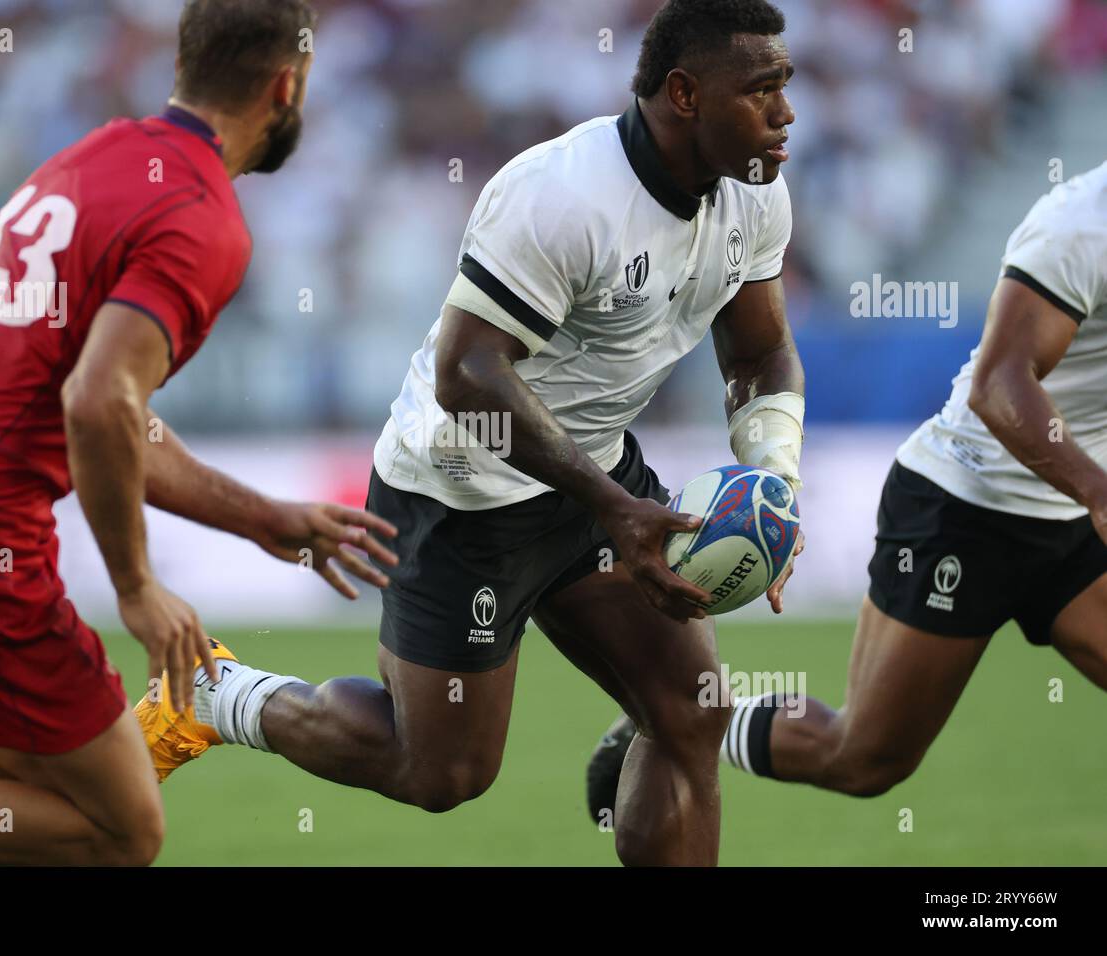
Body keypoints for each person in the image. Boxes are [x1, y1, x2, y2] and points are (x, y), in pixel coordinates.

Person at [139, 0, 804, 866]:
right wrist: (610, 505)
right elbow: (467, 377)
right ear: (684, 94)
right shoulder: (561, 195)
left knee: (691, 710)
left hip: (594, 479)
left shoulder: (755, 196)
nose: (786, 114)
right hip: (463, 489)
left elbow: (760, 351)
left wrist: (775, 477)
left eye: (784, 86)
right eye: (763, 91)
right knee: (440, 773)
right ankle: (214, 695)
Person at [0, 0, 395, 867]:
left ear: (181, 66)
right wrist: (136, 587)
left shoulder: (93, 156)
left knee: (19, 826)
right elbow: (97, 403)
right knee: (121, 830)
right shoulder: (202, 217)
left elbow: (102, 407)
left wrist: (259, 518)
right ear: (289, 82)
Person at [588, 161, 1107, 825]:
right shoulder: (1080, 225)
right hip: (968, 505)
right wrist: (1099, 492)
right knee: (863, 758)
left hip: (1071, 516)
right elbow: (999, 385)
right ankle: (686, 721)